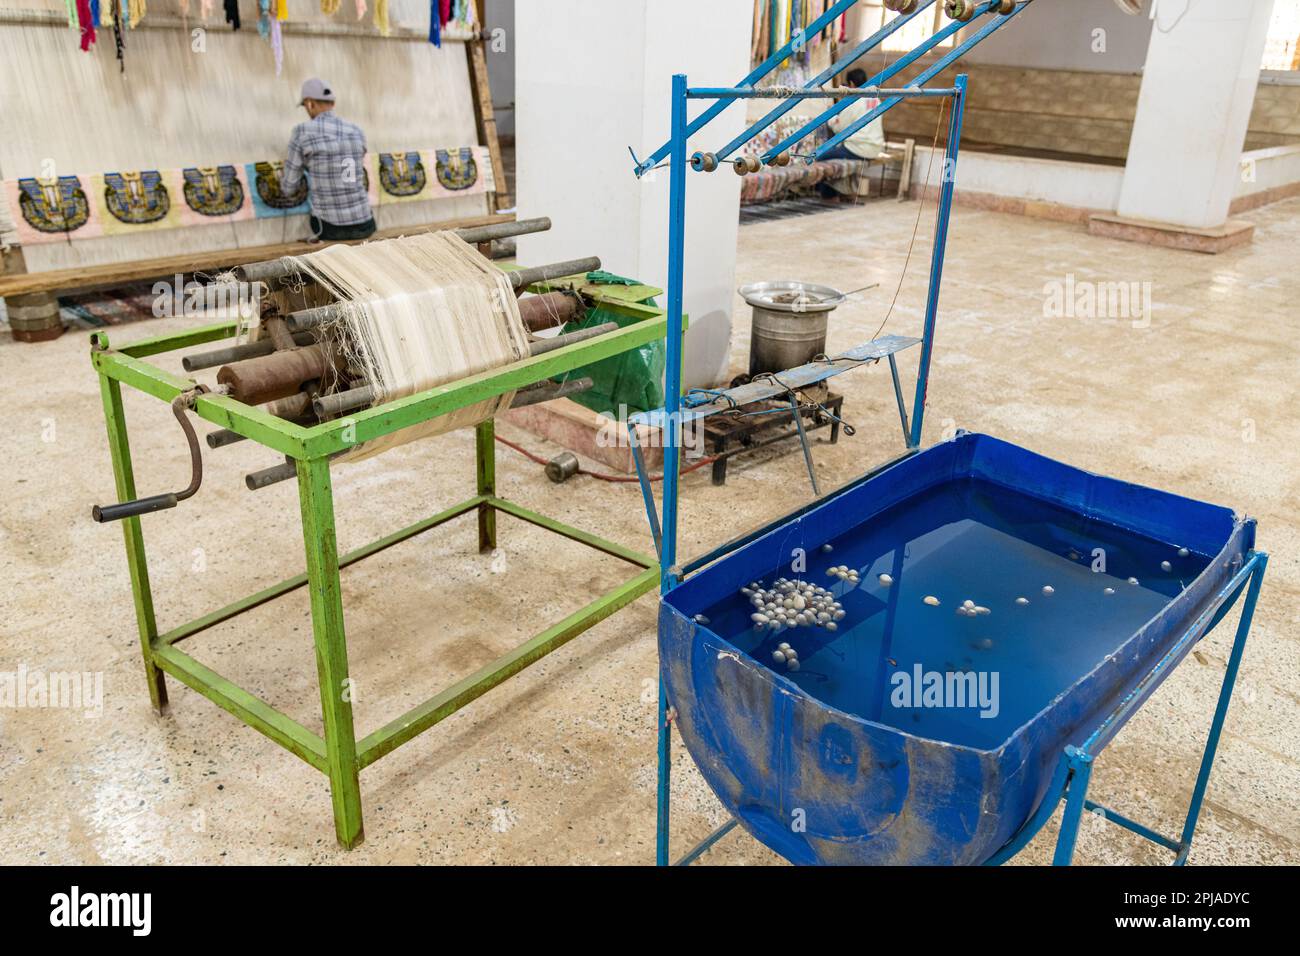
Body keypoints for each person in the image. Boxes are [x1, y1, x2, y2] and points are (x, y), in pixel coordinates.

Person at [281, 78, 376, 241]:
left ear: (310, 103)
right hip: (365, 224)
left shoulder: (302, 132)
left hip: (329, 228)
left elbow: (289, 188)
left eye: (305, 106)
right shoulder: (357, 131)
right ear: (332, 103)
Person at [822, 68, 887, 162]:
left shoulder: (854, 102)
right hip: (875, 150)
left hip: (858, 149)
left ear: (851, 83)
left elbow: (839, 128)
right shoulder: (876, 100)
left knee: (819, 156)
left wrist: (830, 117)